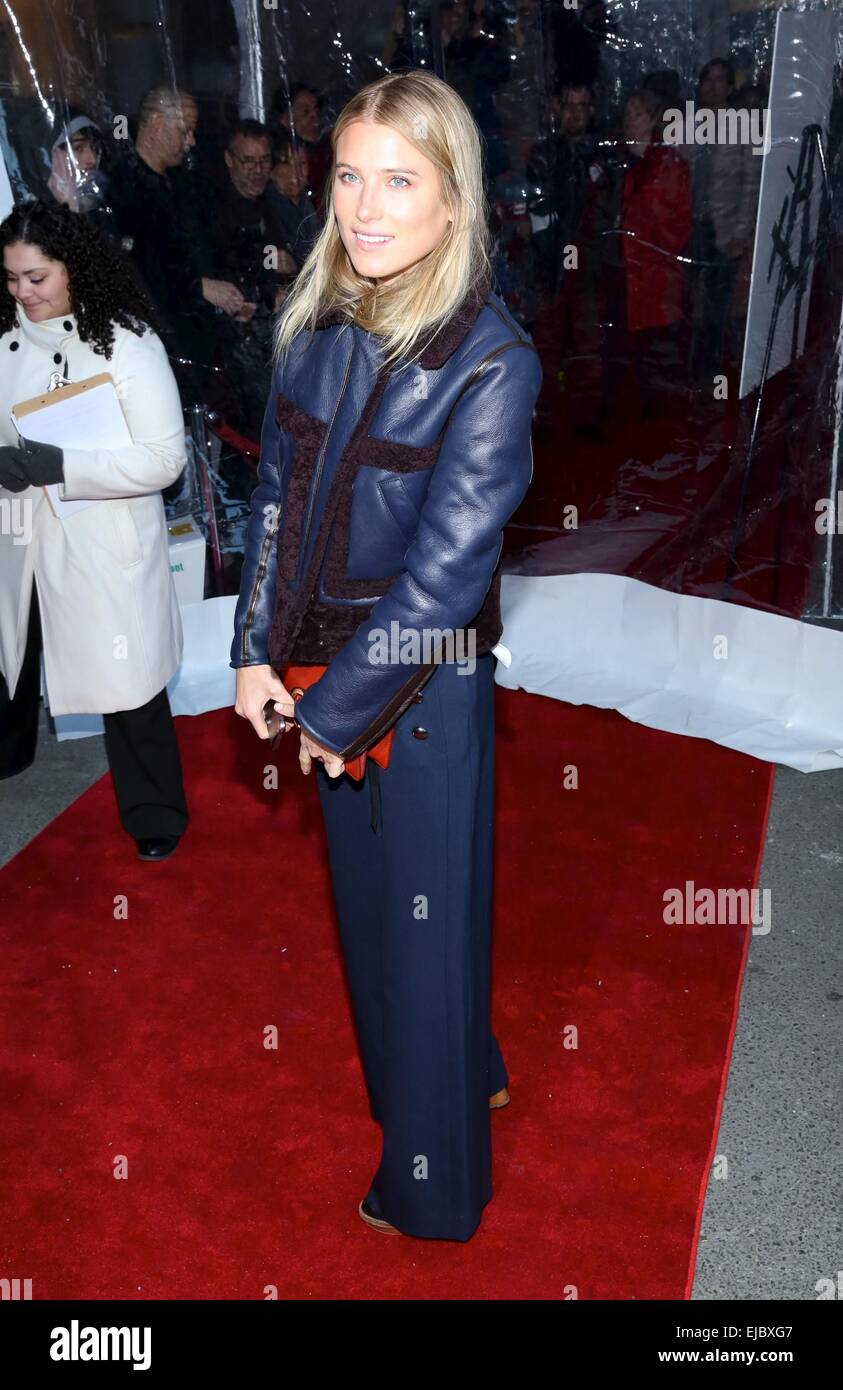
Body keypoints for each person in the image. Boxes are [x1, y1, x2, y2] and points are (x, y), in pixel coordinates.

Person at [230, 69, 542, 1241]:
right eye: (350, 175)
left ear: (453, 199)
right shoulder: (315, 323)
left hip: (419, 692)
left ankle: (431, 1185)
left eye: (399, 180)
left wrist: (328, 715)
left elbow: (445, 582)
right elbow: (272, 501)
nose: (365, 206)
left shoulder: (492, 362)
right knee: (381, 928)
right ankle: (467, 1068)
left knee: (422, 931)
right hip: (316, 676)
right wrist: (253, 650)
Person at [0, 200, 189, 861]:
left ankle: (155, 813)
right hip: (26, 537)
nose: (23, 293)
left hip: (106, 541)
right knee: (16, 661)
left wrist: (62, 465)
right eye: (12, 278)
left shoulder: (129, 343)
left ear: (72, 269)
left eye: (36, 278)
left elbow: (166, 461)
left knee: (128, 686)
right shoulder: (5, 342)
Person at [109, 85, 243, 400]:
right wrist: (199, 287)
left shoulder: (183, 182)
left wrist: (230, 291)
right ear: (156, 124)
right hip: (162, 344)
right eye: (184, 131)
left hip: (199, 335)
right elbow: (139, 271)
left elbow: (206, 247)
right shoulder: (125, 187)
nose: (191, 141)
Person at [618, 86, 691, 415]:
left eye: (637, 115)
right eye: (627, 115)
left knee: (660, 366)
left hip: (656, 280)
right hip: (631, 280)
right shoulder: (630, 164)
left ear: (652, 121)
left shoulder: (667, 163)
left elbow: (673, 226)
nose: (629, 122)